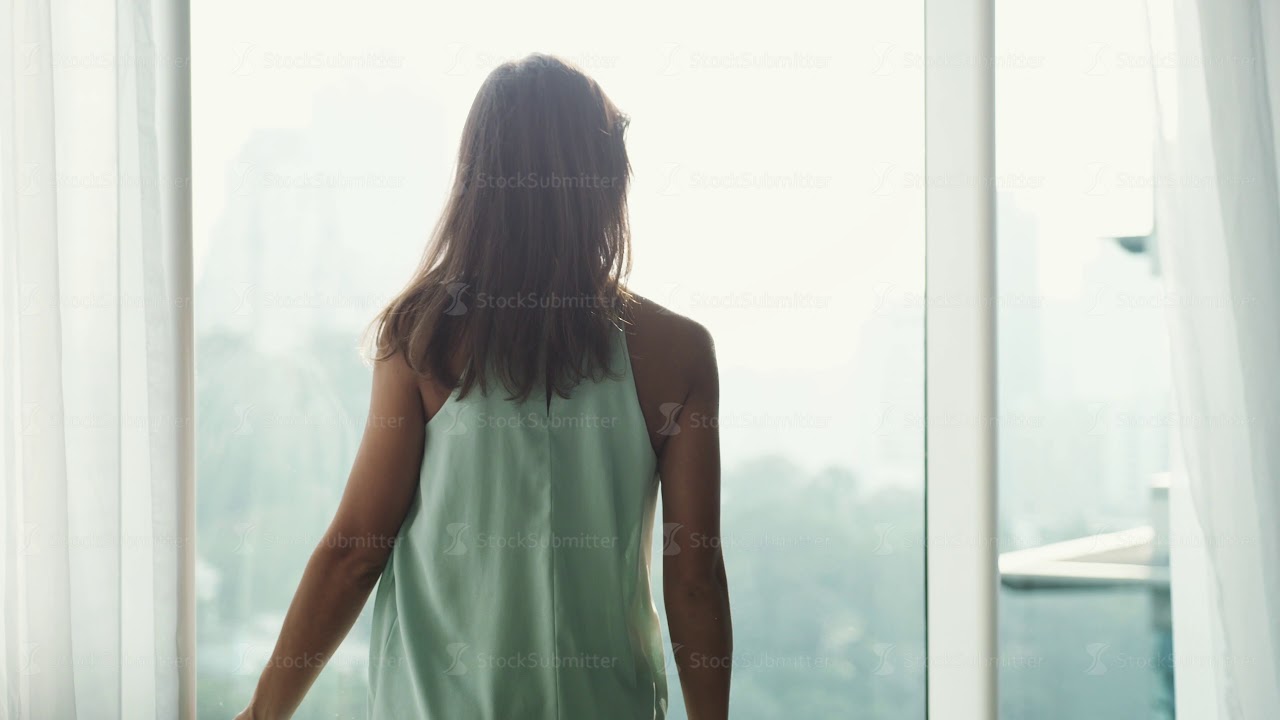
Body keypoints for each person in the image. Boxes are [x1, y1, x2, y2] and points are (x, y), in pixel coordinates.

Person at [236, 53, 732, 720]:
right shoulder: (680, 351)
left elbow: (356, 551)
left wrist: (263, 713)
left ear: (480, 179)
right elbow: (694, 579)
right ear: (603, 178)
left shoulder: (422, 335)